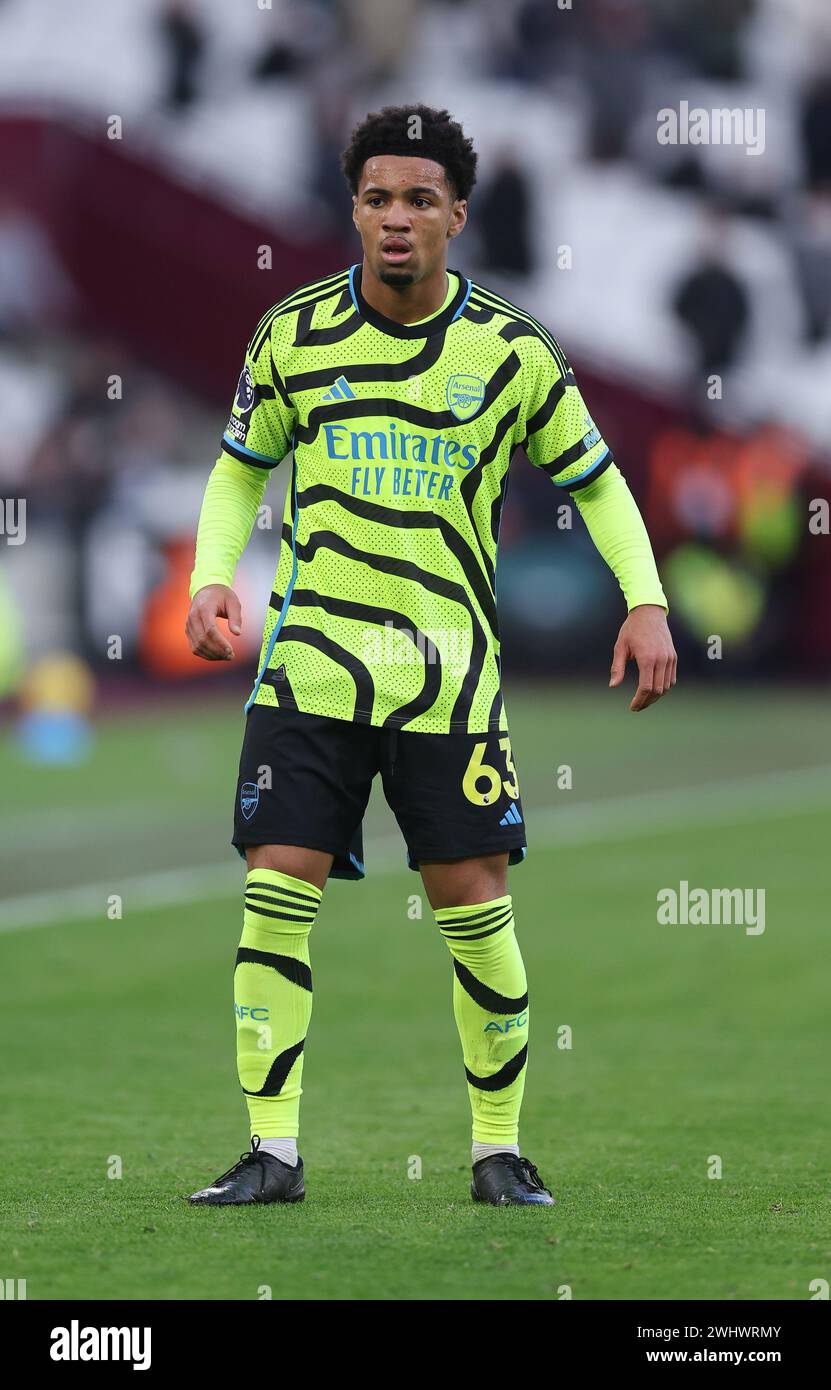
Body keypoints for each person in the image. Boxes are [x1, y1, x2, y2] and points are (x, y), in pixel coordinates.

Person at [185, 104, 675, 1208]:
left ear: (457, 211)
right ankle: (274, 1152)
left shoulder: (510, 351)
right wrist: (210, 578)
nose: (395, 219)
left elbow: (595, 477)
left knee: (473, 904)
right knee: (277, 887)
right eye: (375, 199)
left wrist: (644, 600)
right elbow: (236, 468)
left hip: (449, 682)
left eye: (417, 199)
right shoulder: (292, 335)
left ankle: (498, 1149)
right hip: (310, 666)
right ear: (352, 210)